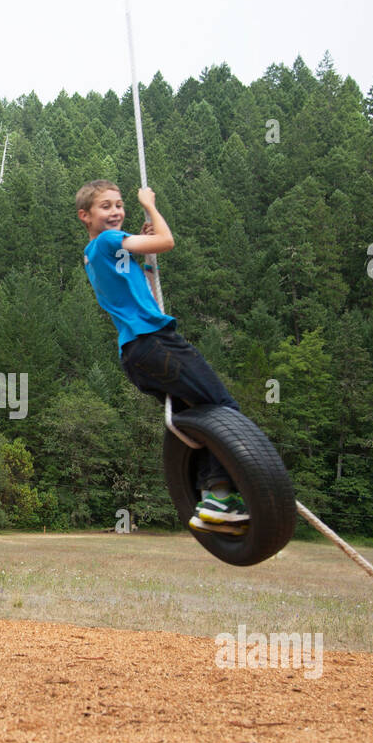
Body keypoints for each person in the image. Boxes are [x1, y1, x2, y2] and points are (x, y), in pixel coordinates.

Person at [76, 179, 248, 534]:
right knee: (222, 406)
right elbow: (168, 240)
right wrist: (149, 204)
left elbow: (149, 295)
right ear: (85, 216)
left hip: (137, 355)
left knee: (197, 422)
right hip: (156, 343)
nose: (117, 211)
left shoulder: (98, 255)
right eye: (105, 206)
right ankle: (218, 498)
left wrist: (148, 261)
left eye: (120, 204)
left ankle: (213, 500)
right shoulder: (108, 241)